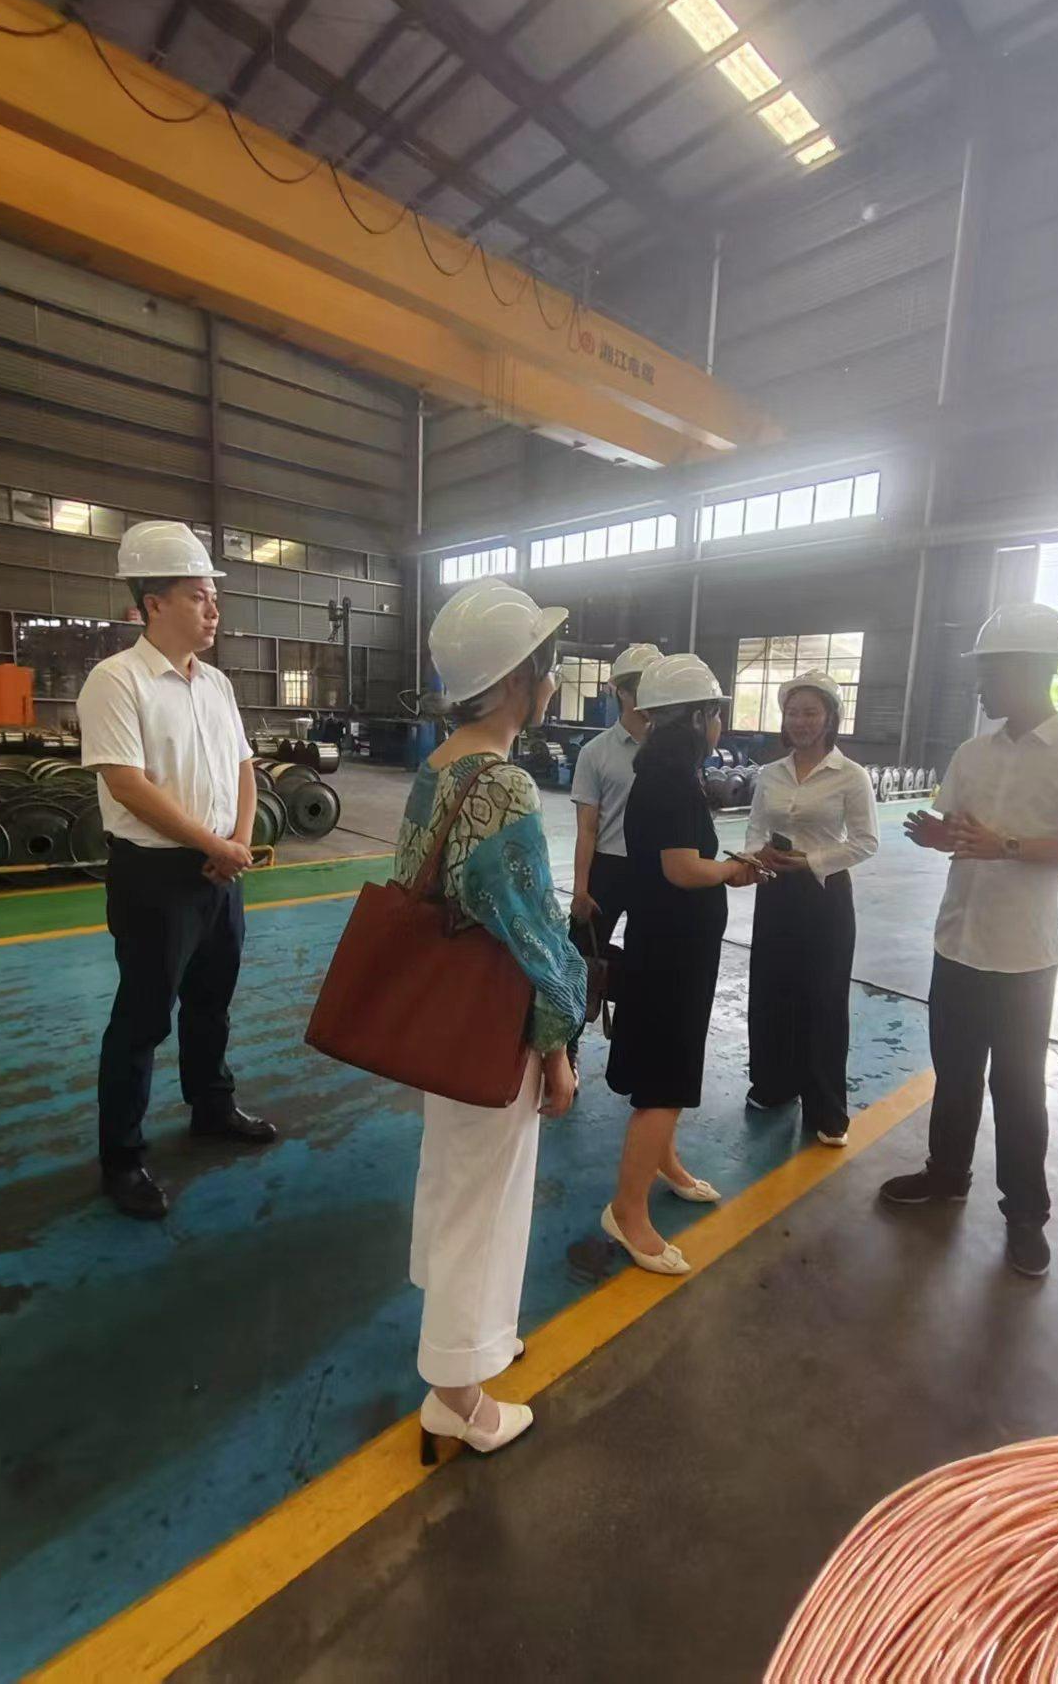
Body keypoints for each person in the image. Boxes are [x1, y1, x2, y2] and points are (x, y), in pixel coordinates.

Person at [395, 578, 586, 1459]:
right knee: (487, 1198)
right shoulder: (503, 785)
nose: (551, 683)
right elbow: (534, 934)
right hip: (493, 1024)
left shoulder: (438, 764)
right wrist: (556, 1045)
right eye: (546, 668)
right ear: (516, 681)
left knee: (454, 1177)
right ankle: (457, 1395)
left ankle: (468, 1334)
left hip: (441, 1015)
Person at [880, 602, 1058, 1278]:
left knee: (1018, 1091)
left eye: (989, 672)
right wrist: (941, 837)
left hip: (1022, 958)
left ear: (1031, 670)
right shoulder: (972, 753)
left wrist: (1006, 845)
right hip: (957, 945)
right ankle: (945, 1174)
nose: (980, 686)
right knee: (955, 1076)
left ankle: (1024, 1215)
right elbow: (962, 833)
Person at [77, 522, 277, 1221]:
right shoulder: (116, 681)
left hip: (221, 871)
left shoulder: (216, 683)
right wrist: (211, 844)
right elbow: (126, 784)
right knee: (141, 1018)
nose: (213, 609)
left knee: (210, 1000)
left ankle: (211, 1107)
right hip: (155, 878)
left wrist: (237, 841)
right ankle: (122, 1157)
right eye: (198, 596)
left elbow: (244, 766)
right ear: (152, 603)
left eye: (213, 596)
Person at [604, 653, 764, 1275]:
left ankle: (665, 1163)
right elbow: (681, 868)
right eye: (716, 713)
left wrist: (721, 867)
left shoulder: (667, 773)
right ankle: (627, 1212)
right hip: (673, 952)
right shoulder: (672, 782)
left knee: (664, 1071)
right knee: (664, 1084)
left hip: (669, 942)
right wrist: (733, 869)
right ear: (699, 718)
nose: (720, 723)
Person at [745, 670, 879, 1143]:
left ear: (829, 718)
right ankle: (773, 1085)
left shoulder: (850, 776)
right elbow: (755, 828)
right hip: (775, 890)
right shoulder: (770, 774)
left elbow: (865, 842)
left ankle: (826, 1109)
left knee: (823, 997)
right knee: (771, 989)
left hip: (825, 895)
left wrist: (811, 861)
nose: (800, 721)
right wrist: (758, 856)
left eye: (810, 712)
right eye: (793, 712)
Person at [568, 642, 663, 1071]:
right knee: (580, 961)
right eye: (640, 686)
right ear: (620, 691)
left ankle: (633, 1053)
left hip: (655, 870)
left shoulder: (673, 752)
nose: (649, 695)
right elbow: (587, 828)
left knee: (647, 962)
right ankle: (565, 1051)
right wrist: (581, 888)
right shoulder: (597, 753)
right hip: (608, 867)